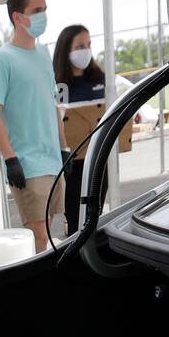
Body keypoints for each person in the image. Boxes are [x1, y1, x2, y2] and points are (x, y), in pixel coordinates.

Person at [0, 0, 70, 251]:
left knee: (46, 236)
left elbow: (52, 103)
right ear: (17, 17)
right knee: (38, 237)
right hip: (27, 163)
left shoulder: (43, 54)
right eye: (37, 10)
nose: (43, 15)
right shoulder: (2, 60)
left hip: (52, 160)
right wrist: (10, 159)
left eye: (44, 9)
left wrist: (63, 146)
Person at [52, 24, 106, 235]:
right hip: (71, 162)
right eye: (80, 45)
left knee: (96, 213)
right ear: (67, 49)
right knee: (75, 216)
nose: (86, 50)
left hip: (99, 156)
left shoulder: (100, 79)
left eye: (89, 44)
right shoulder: (58, 85)